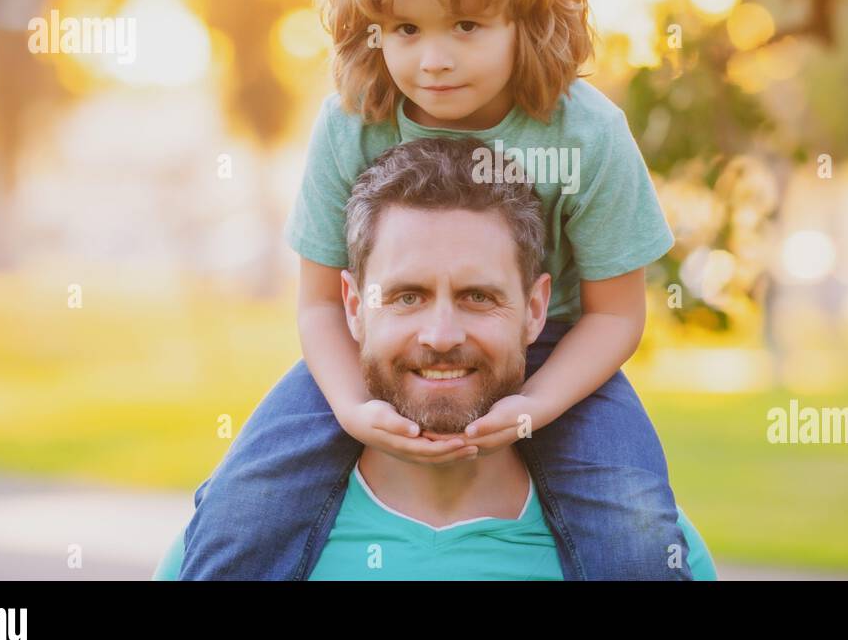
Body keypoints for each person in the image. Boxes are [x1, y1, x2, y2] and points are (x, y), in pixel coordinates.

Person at [180, 0, 689, 580]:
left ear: (525, 20)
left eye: (466, 27)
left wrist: (533, 408)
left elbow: (616, 315)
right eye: (407, 30)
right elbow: (322, 304)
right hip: (379, 352)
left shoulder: (586, 133)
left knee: (636, 533)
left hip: (555, 349)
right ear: (373, 29)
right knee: (242, 511)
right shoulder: (352, 124)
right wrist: (355, 409)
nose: (433, 61)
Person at [159, 138, 712, 580]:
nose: (442, 335)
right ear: (353, 306)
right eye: (407, 296)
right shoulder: (231, 542)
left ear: (537, 309)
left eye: (479, 296)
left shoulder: (648, 544)